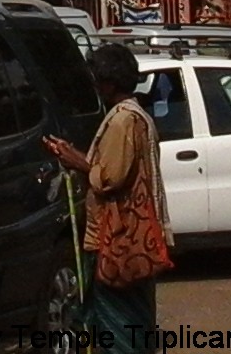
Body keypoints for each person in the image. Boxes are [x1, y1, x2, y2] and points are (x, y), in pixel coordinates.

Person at [44, 43, 170, 346]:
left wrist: (77, 162)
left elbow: (110, 178)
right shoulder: (133, 115)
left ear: (109, 82)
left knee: (118, 324)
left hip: (118, 238)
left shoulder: (124, 119)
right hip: (127, 236)